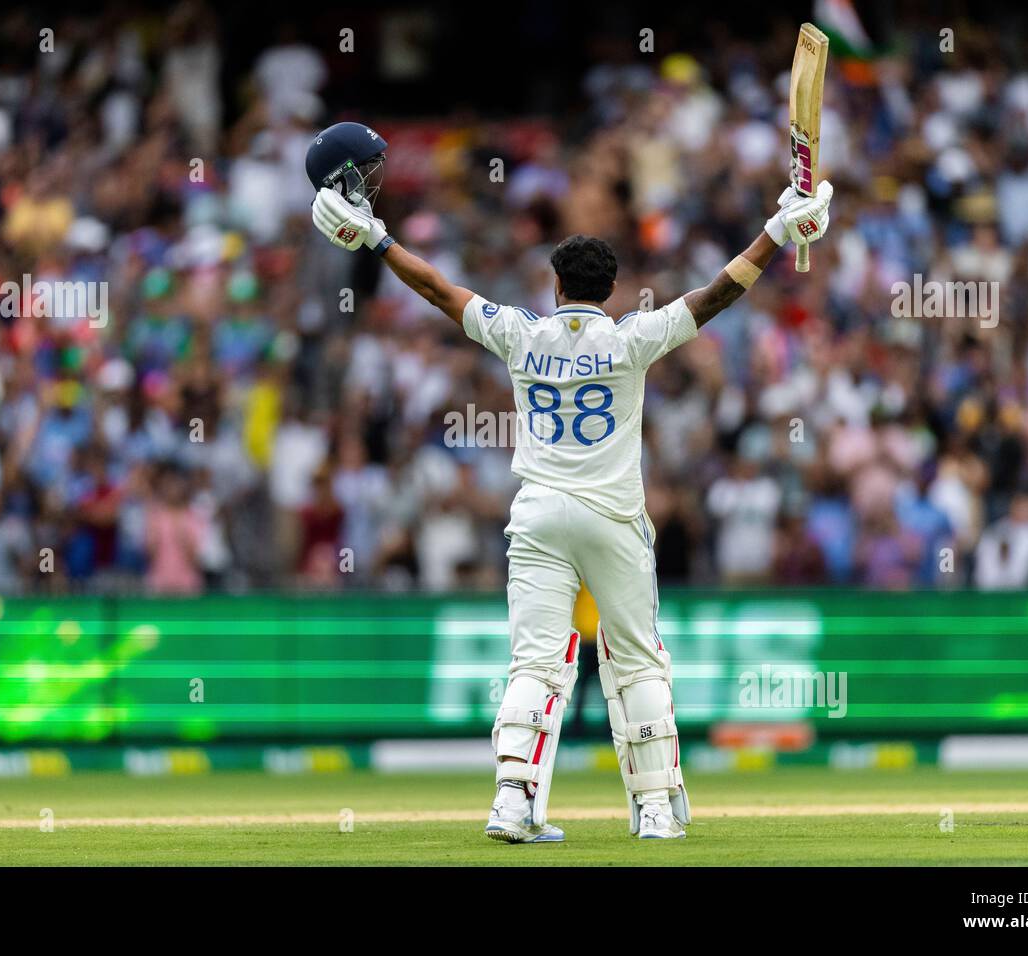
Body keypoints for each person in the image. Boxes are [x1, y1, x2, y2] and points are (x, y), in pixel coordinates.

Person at [308, 121, 833, 842]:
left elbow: (435, 288)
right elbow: (716, 295)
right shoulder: (633, 338)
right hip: (613, 518)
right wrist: (777, 229)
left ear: (556, 286)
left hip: (538, 516)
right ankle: (653, 811)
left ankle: (513, 805)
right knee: (635, 661)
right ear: (613, 289)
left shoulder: (521, 332)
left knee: (536, 663)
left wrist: (373, 238)